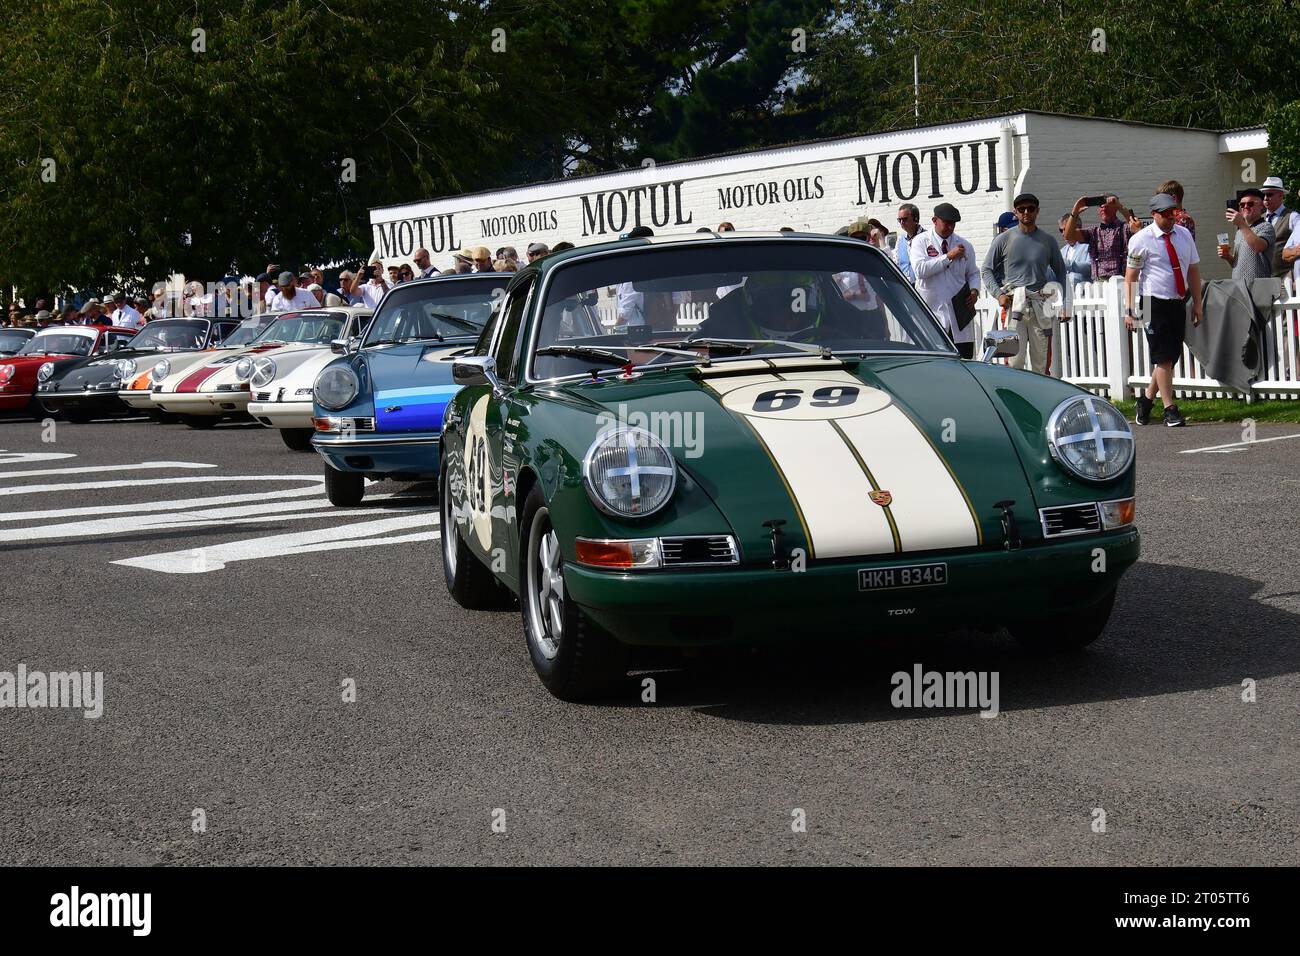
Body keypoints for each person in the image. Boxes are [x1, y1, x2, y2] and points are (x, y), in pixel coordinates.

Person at [1124, 193, 1202, 427]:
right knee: (1163, 356)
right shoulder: (1141, 239)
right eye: (1166, 215)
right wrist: (1128, 310)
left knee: (1170, 356)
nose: (1171, 219)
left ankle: (1146, 401)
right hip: (1151, 302)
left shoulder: (1184, 235)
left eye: (1174, 213)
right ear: (1154, 214)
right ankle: (1170, 408)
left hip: (1177, 301)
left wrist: (1197, 303)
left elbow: (1193, 270)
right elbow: (1131, 277)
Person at [980, 193, 1072, 376]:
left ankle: (1040, 400)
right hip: (1014, 303)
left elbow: (1061, 272)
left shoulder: (1048, 241)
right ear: (1016, 212)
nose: (1026, 212)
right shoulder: (1004, 239)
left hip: (1040, 303)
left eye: (1030, 208)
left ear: (1037, 211)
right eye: (1021, 209)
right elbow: (986, 269)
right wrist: (999, 294)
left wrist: (1065, 304)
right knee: (1014, 360)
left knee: (1042, 361)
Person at [911, 203, 980, 358]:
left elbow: (973, 273)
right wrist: (948, 257)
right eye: (946, 223)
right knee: (936, 365)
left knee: (964, 362)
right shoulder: (921, 242)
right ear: (935, 220)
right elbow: (920, 271)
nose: (950, 227)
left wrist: (975, 291)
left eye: (953, 223)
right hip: (932, 313)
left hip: (960, 315)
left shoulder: (964, 245)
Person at [1063, 194, 1135, 280]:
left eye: (1107, 205)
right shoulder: (1093, 232)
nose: (1103, 208)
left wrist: (1120, 206)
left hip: (1122, 283)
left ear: (1115, 208)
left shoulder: (1125, 228)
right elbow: (1069, 236)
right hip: (1098, 286)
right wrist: (1074, 212)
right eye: (1100, 206)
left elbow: (1137, 226)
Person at [1219, 188, 1273, 279]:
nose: (1245, 207)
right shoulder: (1240, 231)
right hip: (1239, 287)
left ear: (1262, 206)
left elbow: (1257, 247)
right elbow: (1237, 264)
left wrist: (1241, 223)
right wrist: (1228, 256)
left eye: (1250, 204)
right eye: (1242, 204)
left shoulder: (1266, 227)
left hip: (1258, 287)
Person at [1260, 177, 1298, 277]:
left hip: (1285, 278)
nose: (1265, 198)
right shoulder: (1260, 218)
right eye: (1263, 195)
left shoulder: (1292, 217)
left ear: (1281, 196)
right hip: (1262, 278)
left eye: (1269, 194)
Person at [1058, 214, 1093, 287]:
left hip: (1084, 291)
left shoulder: (1088, 245)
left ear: (1077, 228)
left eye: (1066, 229)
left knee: (1072, 277)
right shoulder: (1062, 251)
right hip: (1065, 292)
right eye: (1061, 230)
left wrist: (1067, 264)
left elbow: (1090, 268)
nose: (1063, 233)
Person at [894, 203, 922, 281]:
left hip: (922, 286)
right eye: (899, 220)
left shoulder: (926, 237)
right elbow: (896, 262)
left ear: (915, 218)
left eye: (905, 219)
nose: (902, 222)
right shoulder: (900, 239)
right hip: (907, 287)